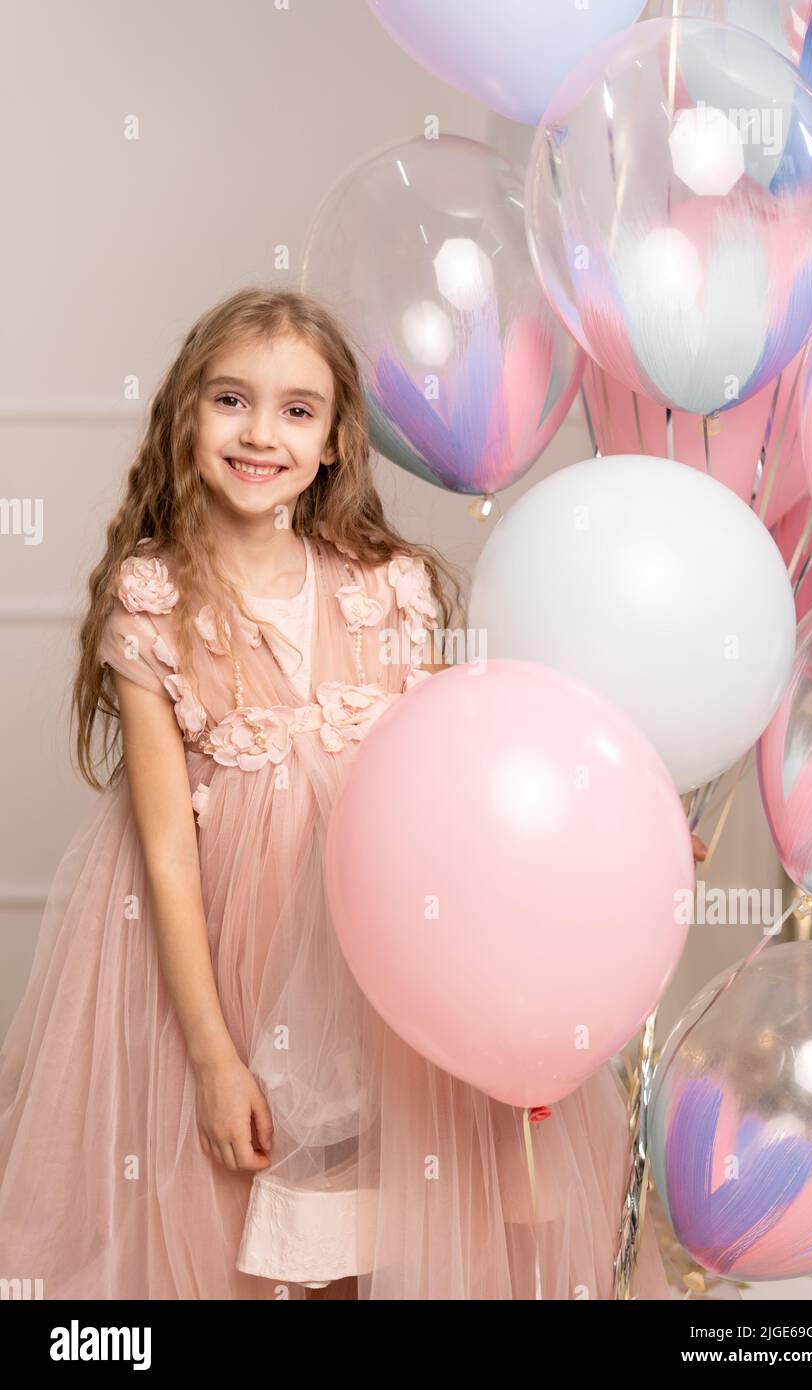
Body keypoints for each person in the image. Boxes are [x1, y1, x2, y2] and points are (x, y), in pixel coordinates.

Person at [0, 286, 679, 1300]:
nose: (260, 432)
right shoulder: (155, 605)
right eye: (231, 400)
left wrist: (612, 850)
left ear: (331, 441)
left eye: (296, 409)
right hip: (229, 967)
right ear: (186, 414)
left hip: (385, 975)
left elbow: (460, 791)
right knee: (262, 1231)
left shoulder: (386, 587)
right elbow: (164, 856)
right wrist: (214, 1059)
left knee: (393, 1220)